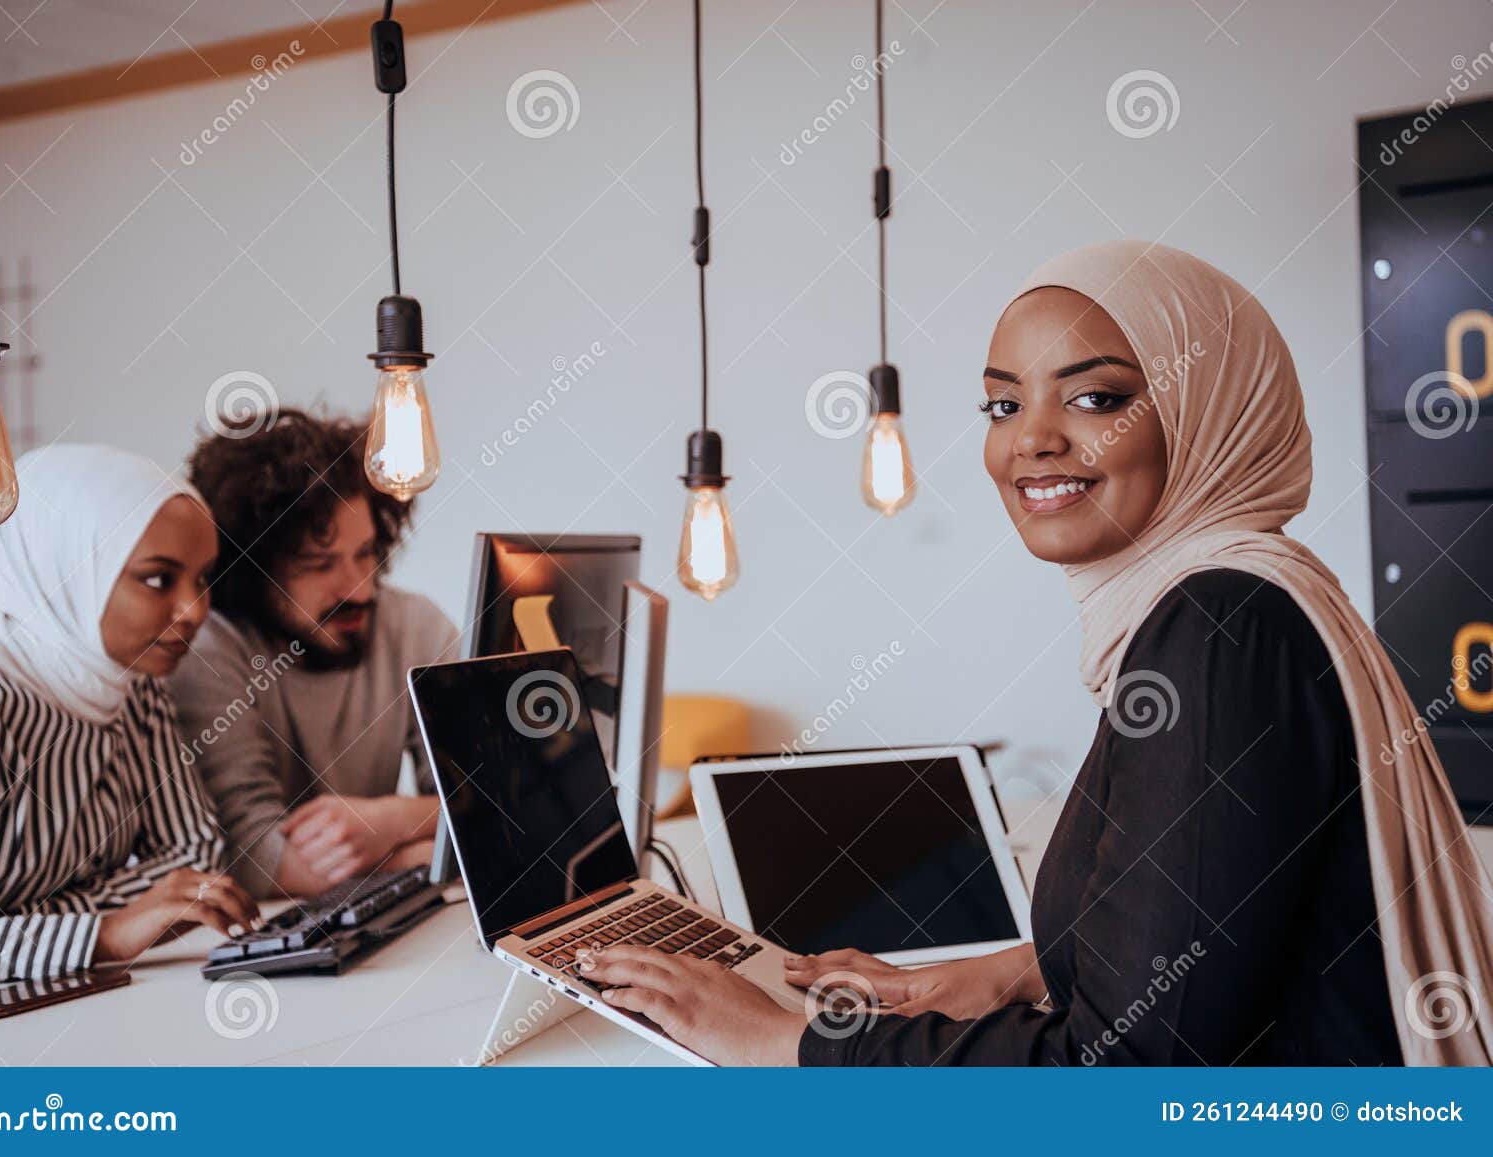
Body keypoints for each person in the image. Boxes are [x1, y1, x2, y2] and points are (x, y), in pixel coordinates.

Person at [575, 241, 1493, 1066]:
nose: (1032, 440)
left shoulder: (1217, 629)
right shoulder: (1246, 593)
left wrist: (790, 1040)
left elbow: (1127, 1079)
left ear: (1208, 411)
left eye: (1097, 398)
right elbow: (1231, 922)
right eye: (1004, 402)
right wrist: (1020, 973)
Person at [0, 444, 257, 991]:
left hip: (42, 998)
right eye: (159, 579)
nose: (195, 611)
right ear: (63, 569)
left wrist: (48, 934)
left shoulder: (132, 682)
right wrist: (98, 935)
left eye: (203, 579)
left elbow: (192, 857)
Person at [170, 410, 459, 900]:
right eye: (321, 564)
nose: (360, 588)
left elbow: (493, 801)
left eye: (365, 553)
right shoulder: (208, 651)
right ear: (253, 569)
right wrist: (426, 845)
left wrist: (391, 821)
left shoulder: (413, 625)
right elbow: (258, 862)